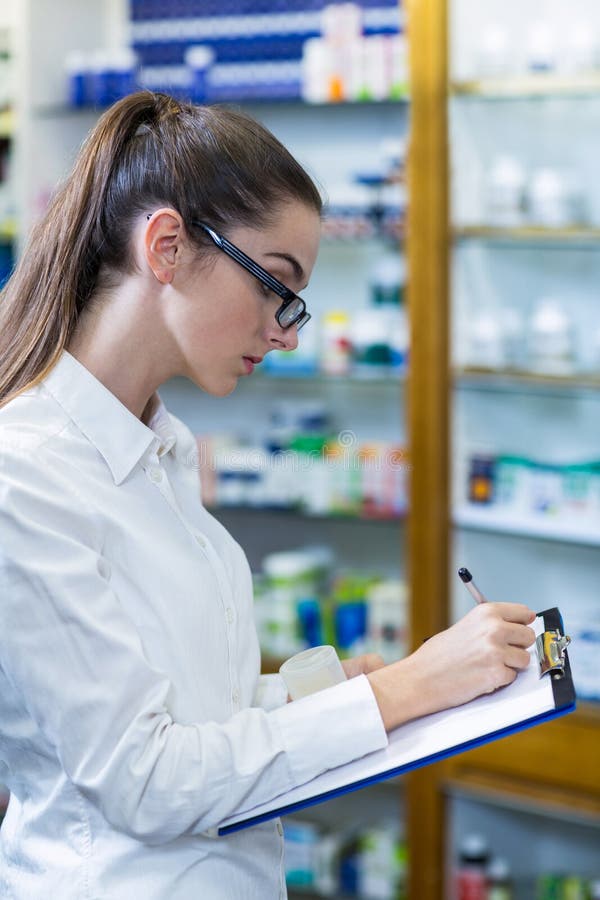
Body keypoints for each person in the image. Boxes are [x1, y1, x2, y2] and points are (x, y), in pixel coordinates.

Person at [0, 91, 536, 899]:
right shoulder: (25, 473)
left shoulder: (162, 452)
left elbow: (190, 712)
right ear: (168, 246)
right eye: (275, 285)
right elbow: (143, 778)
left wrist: (322, 696)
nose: (288, 332)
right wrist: (406, 690)